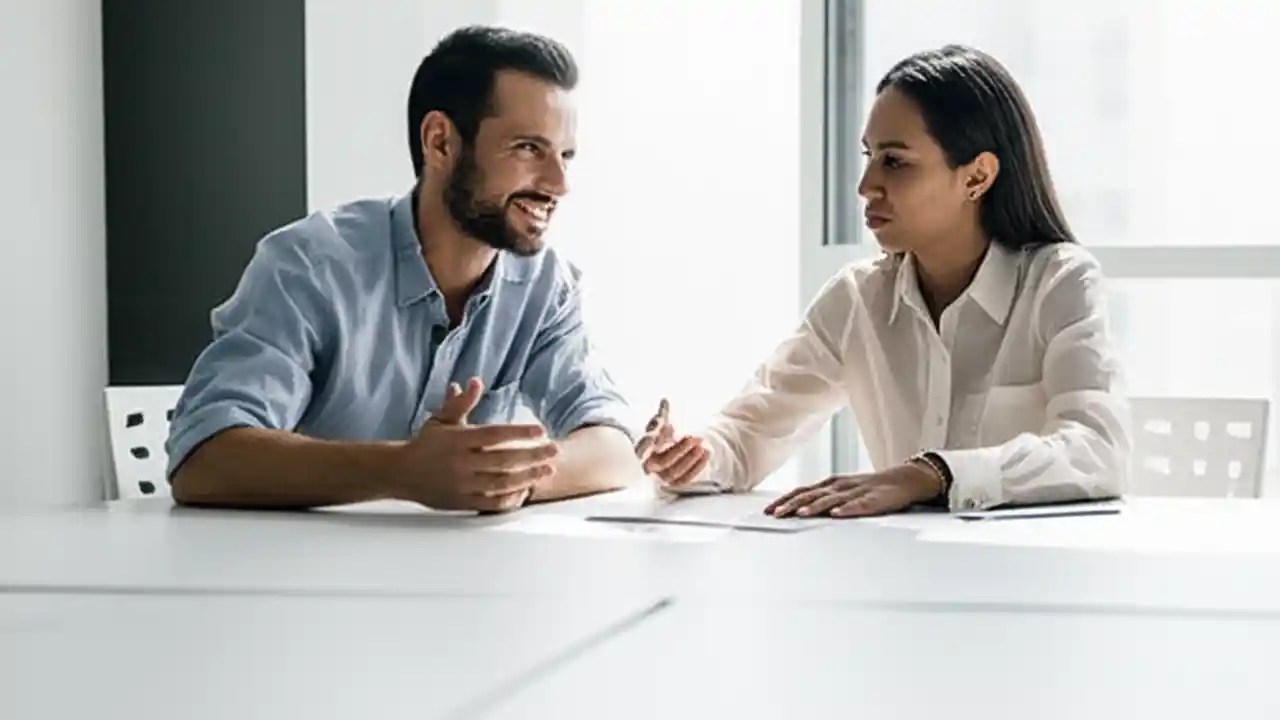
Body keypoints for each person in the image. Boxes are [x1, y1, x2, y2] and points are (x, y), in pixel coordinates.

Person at [636, 45, 1130, 518]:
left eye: (894, 161)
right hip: (897, 564)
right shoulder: (857, 298)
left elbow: (1098, 450)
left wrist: (931, 474)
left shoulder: (1059, 282)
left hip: (1032, 569)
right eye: (868, 156)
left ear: (976, 177)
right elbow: (748, 434)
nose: (865, 186)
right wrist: (692, 457)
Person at [167, 26, 638, 512]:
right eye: (528, 148)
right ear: (440, 142)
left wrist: (503, 477)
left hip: (460, 562)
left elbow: (615, 447)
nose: (559, 183)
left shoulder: (545, 287)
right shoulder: (310, 266)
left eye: (565, 155)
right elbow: (202, 459)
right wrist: (402, 471)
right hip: (302, 559)